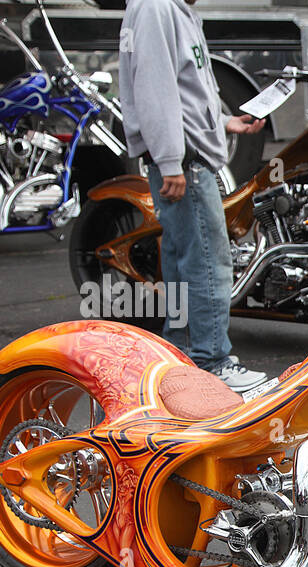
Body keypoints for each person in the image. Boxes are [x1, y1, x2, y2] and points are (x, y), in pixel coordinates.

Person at [118, 0, 268, 392]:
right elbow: (155, 89)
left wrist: (224, 123)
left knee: (185, 261)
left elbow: (183, 91)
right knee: (206, 262)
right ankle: (211, 361)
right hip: (187, 162)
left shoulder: (170, 9)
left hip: (186, 157)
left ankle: (182, 358)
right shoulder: (157, 8)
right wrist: (171, 160)